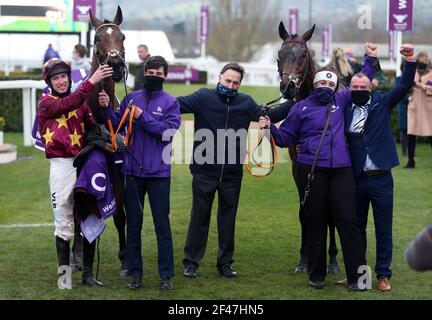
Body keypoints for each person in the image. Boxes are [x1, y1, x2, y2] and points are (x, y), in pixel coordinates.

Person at [259, 43, 378, 291]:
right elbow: (284, 139)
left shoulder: (342, 98)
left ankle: (359, 278)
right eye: (321, 84)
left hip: (342, 172)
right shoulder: (300, 107)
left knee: (349, 223)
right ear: (314, 85)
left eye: (329, 84)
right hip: (312, 172)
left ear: (335, 86)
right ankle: (317, 276)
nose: (325, 87)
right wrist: (269, 126)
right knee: (315, 223)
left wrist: (370, 58)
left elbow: (363, 79)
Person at [178, 63, 294, 278]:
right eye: (227, 81)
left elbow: (273, 115)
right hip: (204, 171)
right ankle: (191, 262)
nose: (230, 85)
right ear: (219, 78)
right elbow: (173, 105)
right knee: (199, 218)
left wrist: (294, 100)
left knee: (227, 220)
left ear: (239, 84)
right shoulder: (203, 97)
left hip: (232, 174)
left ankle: (225, 264)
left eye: (235, 83)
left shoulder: (245, 103)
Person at [102, 56, 180, 291]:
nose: (153, 77)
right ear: (144, 72)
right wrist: (107, 106)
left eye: (158, 74)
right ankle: (135, 274)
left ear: (165, 76)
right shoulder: (131, 98)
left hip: (158, 174)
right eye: (150, 72)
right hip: (132, 173)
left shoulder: (171, 103)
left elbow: (167, 132)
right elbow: (117, 124)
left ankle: (166, 275)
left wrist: (142, 117)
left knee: (161, 226)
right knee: (133, 225)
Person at [343, 44, 417, 292]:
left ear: (371, 87)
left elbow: (405, 86)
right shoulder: (344, 109)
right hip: (356, 179)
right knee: (357, 230)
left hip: (381, 178)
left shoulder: (382, 102)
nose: (360, 90)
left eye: (363, 87)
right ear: (349, 89)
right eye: (355, 87)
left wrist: (409, 59)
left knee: (383, 229)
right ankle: (358, 274)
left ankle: (384, 275)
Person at [37, 58, 113, 288]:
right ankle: (64, 276)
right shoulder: (46, 102)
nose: (61, 81)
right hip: (61, 166)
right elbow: (67, 104)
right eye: (56, 78)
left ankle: (88, 274)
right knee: (63, 220)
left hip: (84, 163)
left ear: (69, 78)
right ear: (50, 82)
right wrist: (92, 81)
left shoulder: (82, 104)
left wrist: (104, 106)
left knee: (89, 214)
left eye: (63, 77)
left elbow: (94, 129)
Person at [406, 51, 432, 168]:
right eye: (419, 61)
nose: (421, 63)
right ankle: (411, 161)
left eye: (424, 61)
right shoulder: (412, 72)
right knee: (411, 134)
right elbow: (404, 85)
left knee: (430, 134)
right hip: (414, 106)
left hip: (428, 108)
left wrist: (424, 87)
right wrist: (410, 87)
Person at [396, 62, 409, 156]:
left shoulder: (412, 78)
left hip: (412, 105)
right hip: (403, 105)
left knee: (411, 129)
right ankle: (404, 150)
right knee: (403, 128)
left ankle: (411, 150)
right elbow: (398, 92)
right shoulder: (399, 79)